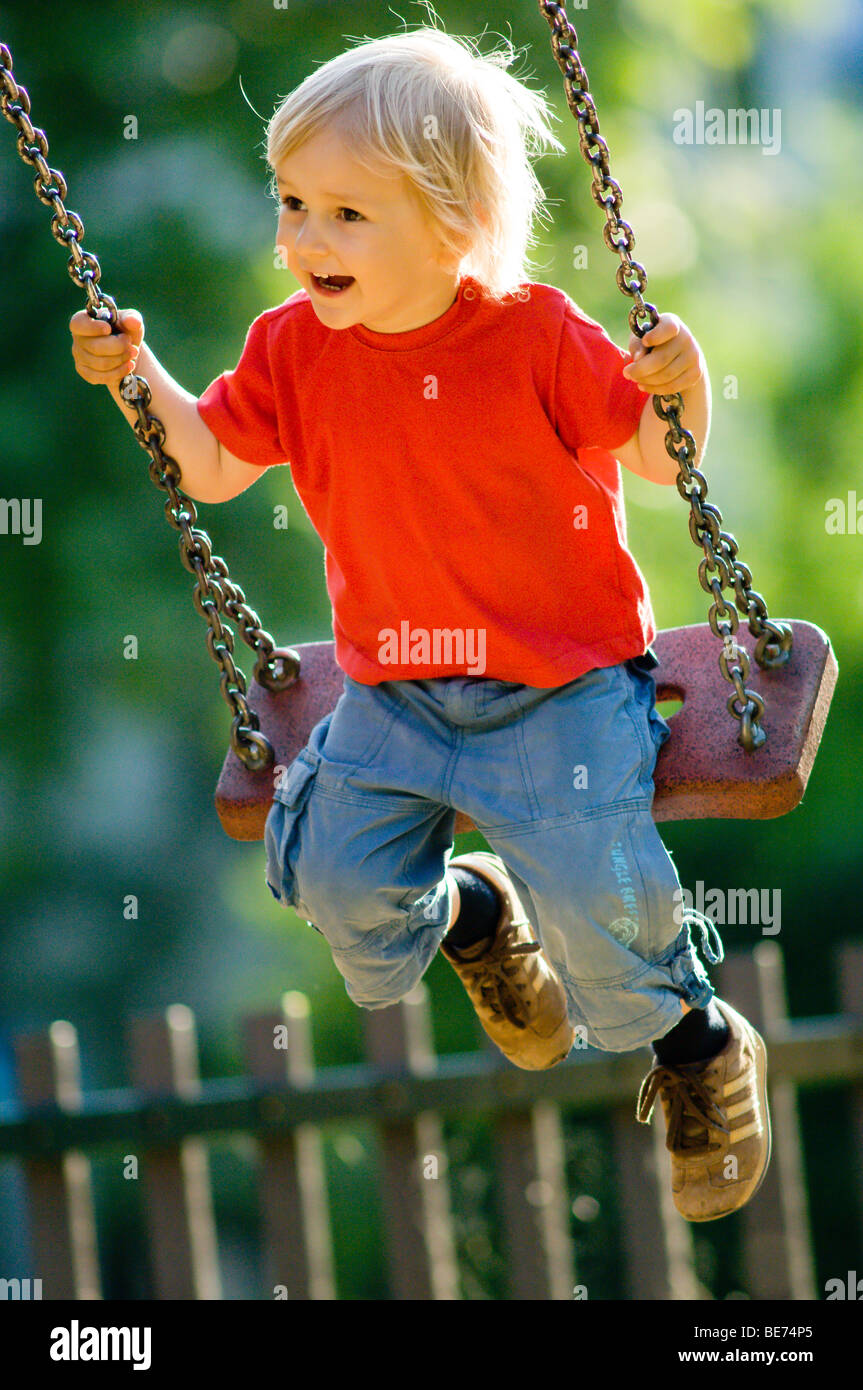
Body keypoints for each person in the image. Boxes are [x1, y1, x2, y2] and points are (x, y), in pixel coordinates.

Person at [69, 25, 770, 1223]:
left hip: (563, 681)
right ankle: (476, 914)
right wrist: (143, 381)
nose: (300, 239)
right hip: (392, 686)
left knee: (602, 900)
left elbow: (662, 456)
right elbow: (214, 463)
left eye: (346, 214)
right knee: (338, 885)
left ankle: (698, 1044)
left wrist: (681, 378)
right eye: (292, 202)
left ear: (452, 224)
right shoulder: (291, 348)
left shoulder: (537, 335)